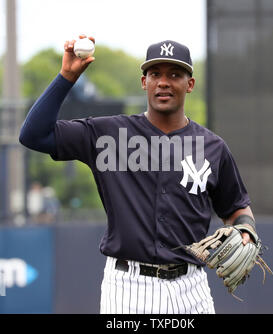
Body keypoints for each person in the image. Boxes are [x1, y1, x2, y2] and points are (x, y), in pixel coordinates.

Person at [19, 35, 255, 314]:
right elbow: (34, 135)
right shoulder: (108, 135)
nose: (163, 82)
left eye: (175, 74)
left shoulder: (213, 148)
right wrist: (66, 77)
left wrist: (246, 231)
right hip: (129, 287)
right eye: (155, 73)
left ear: (189, 84)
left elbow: (236, 207)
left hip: (192, 287)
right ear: (144, 82)